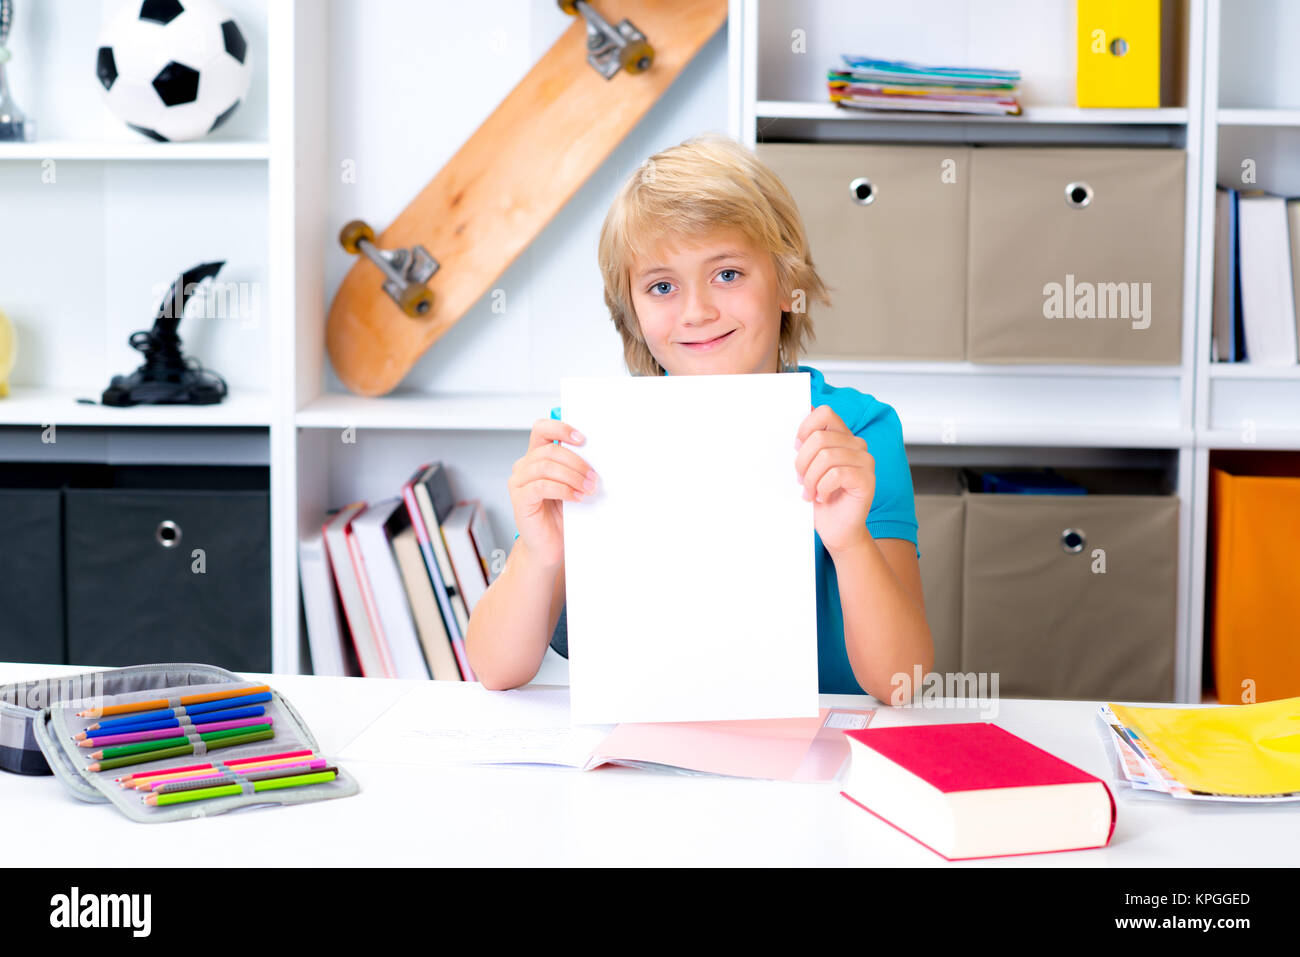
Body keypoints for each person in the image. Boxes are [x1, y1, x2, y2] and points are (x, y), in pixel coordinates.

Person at [466, 133, 933, 701]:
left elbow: (900, 683)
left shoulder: (853, 433)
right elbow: (496, 669)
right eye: (662, 286)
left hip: (819, 749)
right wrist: (538, 552)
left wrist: (850, 541)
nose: (697, 312)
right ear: (633, 313)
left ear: (786, 282)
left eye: (728, 275)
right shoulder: (587, 436)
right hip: (647, 753)